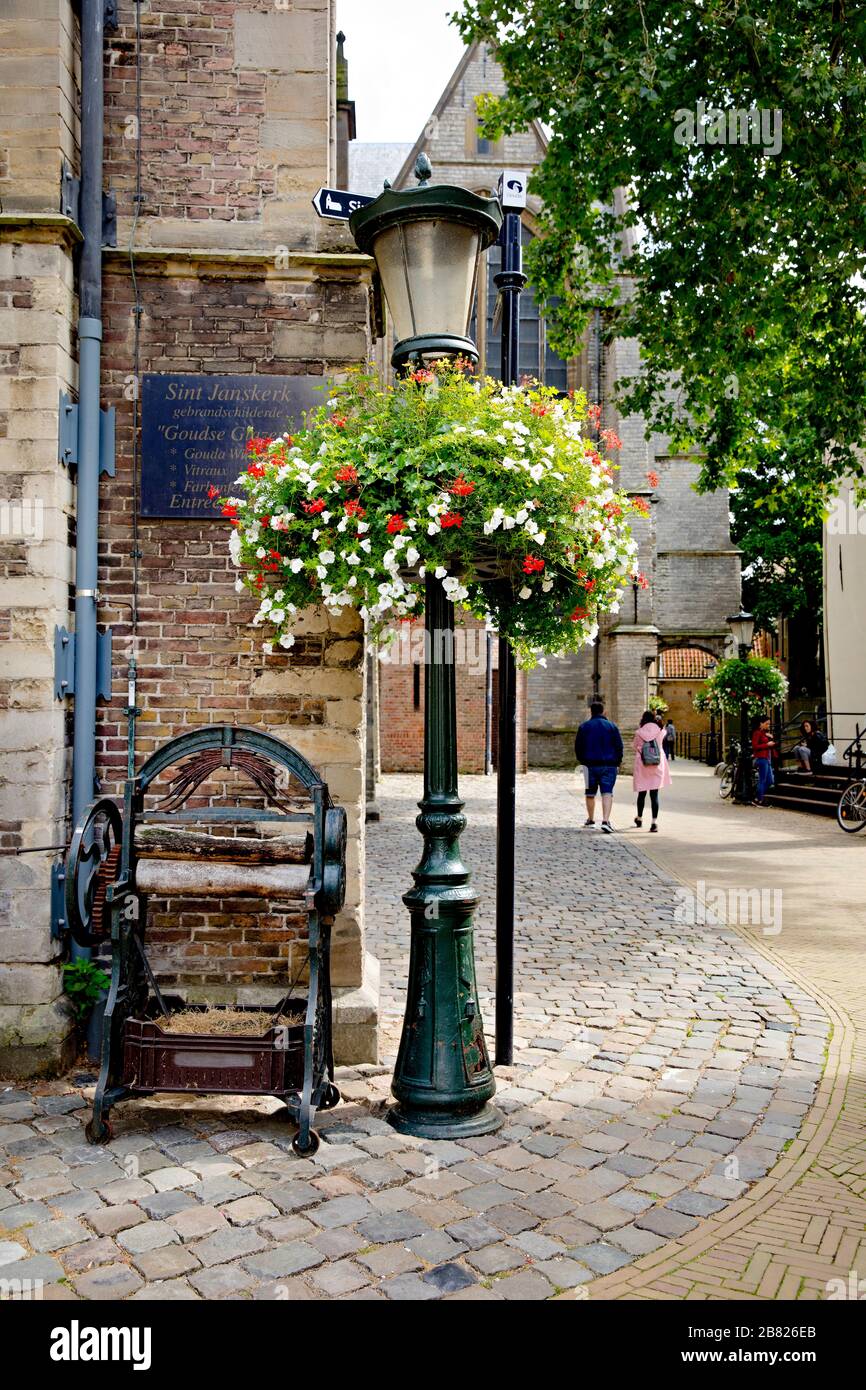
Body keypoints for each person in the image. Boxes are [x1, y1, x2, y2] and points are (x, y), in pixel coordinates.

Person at [574, 700, 624, 833]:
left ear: (591, 711)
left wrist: (582, 761)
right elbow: (619, 746)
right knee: (607, 793)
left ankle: (591, 820)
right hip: (609, 765)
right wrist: (618, 762)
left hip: (589, 765)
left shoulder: (584, 727)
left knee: (590, 794)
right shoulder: (612, 726)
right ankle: (605, 821)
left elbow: (578, 747)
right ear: (604, 711)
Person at [633, 710, 672, 832]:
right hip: (656, 763)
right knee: (654, 795)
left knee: (642, 793)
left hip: (643, 764)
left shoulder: (639, 732)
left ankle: (639, 818)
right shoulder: (660, 731)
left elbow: (635, 746)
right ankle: (654, 822)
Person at [751, 715, 776, 804]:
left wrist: (770, 738)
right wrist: (767, 745)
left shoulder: (763, 733)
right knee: (763, 779)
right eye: (767, 724)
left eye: (769, 724)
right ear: (761, 723)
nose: (768, 725)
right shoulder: (757, 733)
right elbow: (755, 746)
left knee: (770, 780)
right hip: (761, 758)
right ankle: (759, 799)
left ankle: (758, 796)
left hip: (767, 758)